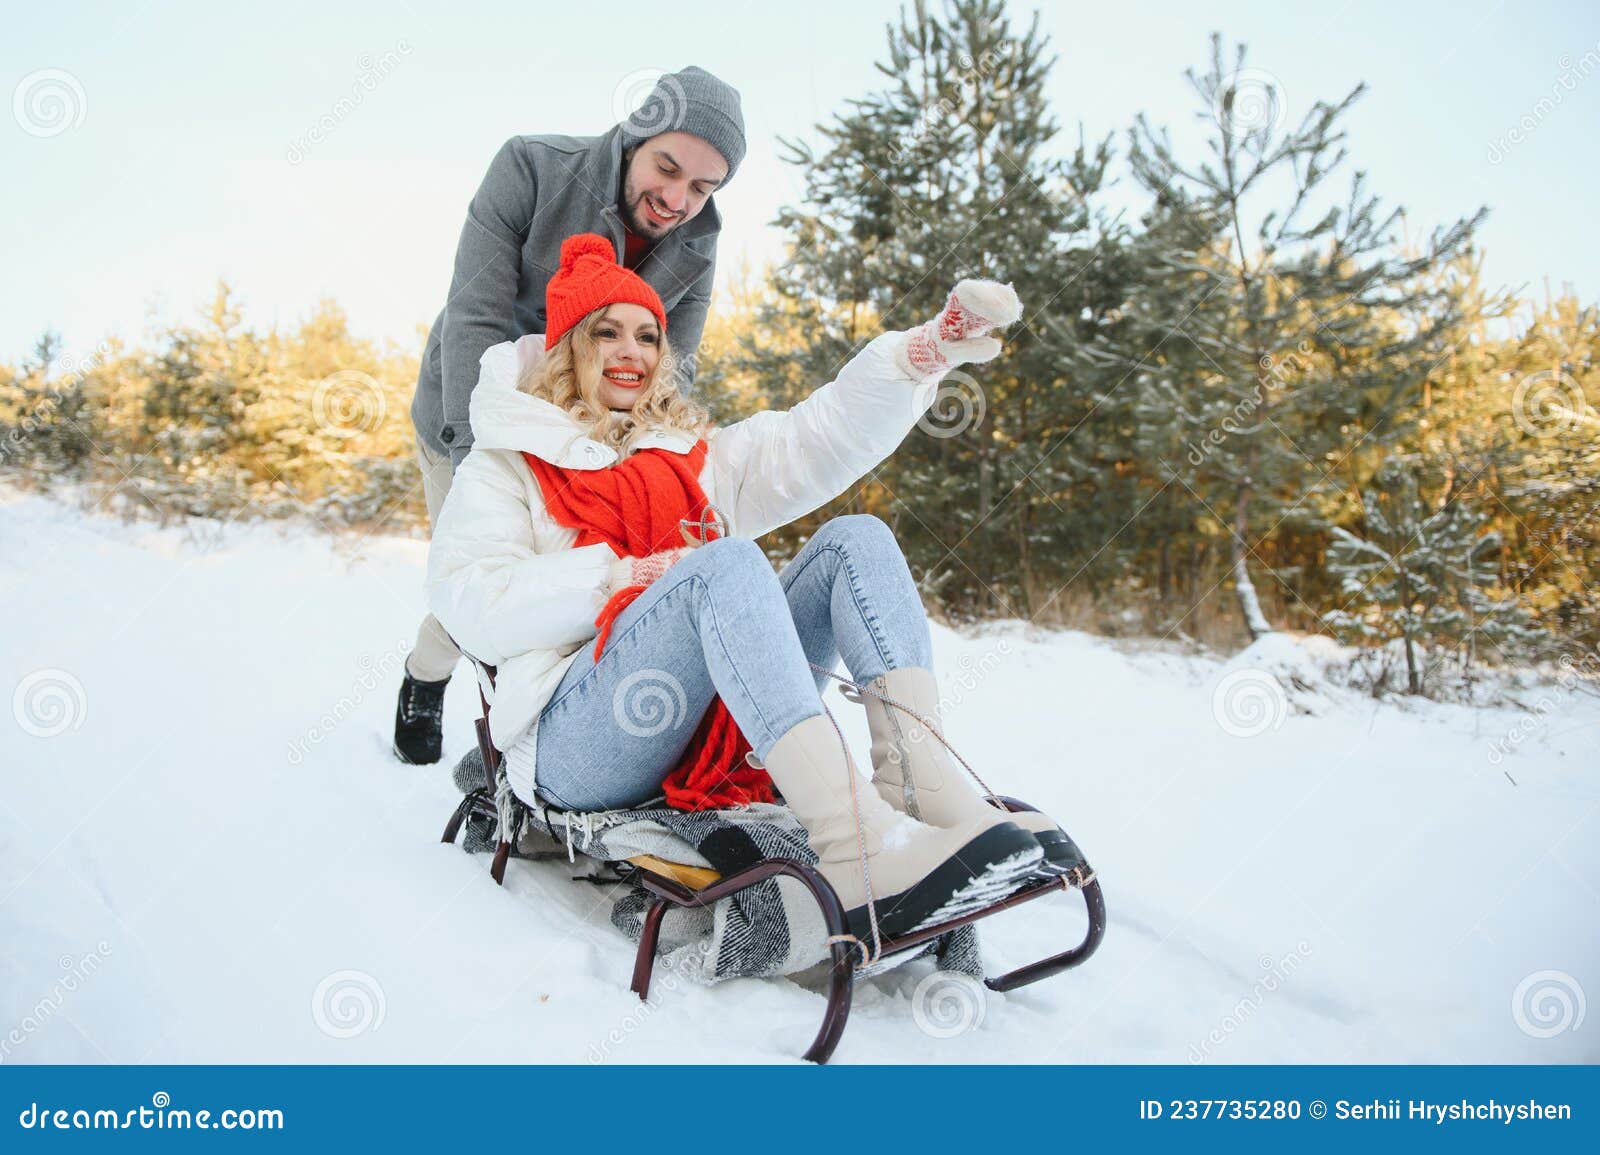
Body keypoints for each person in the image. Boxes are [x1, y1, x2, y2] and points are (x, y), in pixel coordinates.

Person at [425, 233, 1069, 947]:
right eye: (605, 332)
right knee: (724, 563)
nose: (631, 350)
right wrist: (617, 577)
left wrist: (923, 354)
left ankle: (926, 792)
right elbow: (469, 602)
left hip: (697, 721)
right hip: (578, 741)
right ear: (566, 346)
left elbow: (812, 439)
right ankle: (856, 848)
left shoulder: (689, 456)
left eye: (647, 334)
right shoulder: (505, 463)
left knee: (856, 541)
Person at [396, 66, 744, 763]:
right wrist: (481, 455)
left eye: (702, 187)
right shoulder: (531, 167)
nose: (677, 199)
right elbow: (476, 312)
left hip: (585, 440)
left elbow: (674, 362)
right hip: (476, 413)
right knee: (486, 588)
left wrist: (657, 464)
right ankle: (428, 678)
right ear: (635, 136)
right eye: (667, 168)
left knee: (573, 590)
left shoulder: (698, 243)